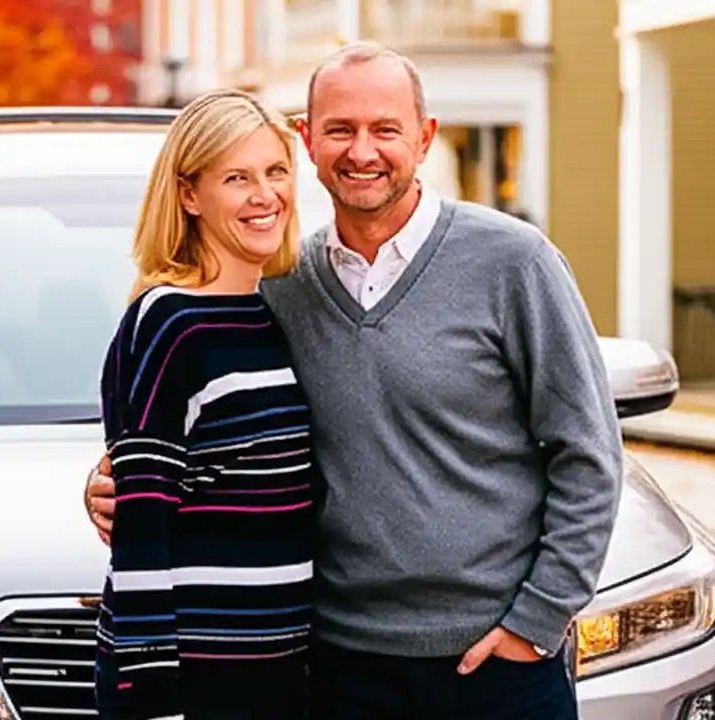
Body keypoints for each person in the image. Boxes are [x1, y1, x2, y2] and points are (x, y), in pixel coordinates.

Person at [86, 43, 623, 719]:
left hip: (496, 666)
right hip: (341, 670)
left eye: (385, 129)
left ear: (424, 137)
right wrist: (112, 484)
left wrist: (536, 621)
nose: (362, 151)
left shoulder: (515, 264)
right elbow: (189, 430)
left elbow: (589, 454)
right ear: (309, 141)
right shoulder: (283, 289)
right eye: (340, 129)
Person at [92, 89, 318, 719]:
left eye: (276, 172)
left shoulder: (274, 315)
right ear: (189, 195)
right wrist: (152, 701)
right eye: (237, 178)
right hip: (194, 680)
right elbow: (142, 526)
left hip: (280, 674)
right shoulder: (169, 322)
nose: (265, 195)